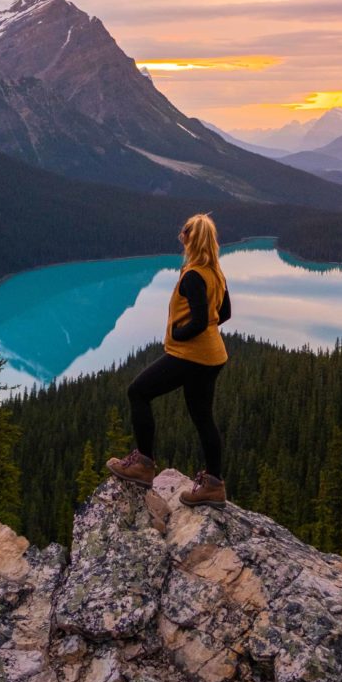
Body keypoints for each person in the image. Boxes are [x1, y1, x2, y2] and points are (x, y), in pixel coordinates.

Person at [106, 212, 231, 507]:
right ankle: (214, 485)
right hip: (213, 355)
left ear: (190, 239)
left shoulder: (193, 276)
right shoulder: (215, 273)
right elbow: (223, 315)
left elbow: (200, 321)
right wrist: (201, 332)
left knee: (138, 391)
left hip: (192, 355)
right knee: (203, 418)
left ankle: (143, 465)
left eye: (184, 236)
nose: (182, 241)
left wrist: (179, 332)